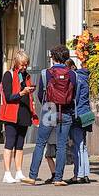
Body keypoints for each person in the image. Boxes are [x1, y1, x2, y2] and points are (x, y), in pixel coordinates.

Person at [24, 44, 76, 186]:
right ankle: (58, 178)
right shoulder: (72, 74)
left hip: (49, 108)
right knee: (61, 145)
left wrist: (47, 104)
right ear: (66, 58)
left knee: (40, 143)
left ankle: (32, 176)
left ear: (53, 58)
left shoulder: (45, 73)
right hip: (65, 110)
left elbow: (41, 94)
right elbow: (74, 94)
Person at [0, 49, 36, 183]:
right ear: (16, 63)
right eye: (22, 64)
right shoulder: (8, 75)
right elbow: (8, 97)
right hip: (11, 113)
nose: (24, 67)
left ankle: (19, 171)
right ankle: (7, 173)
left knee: (20, 144)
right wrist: (22, 92)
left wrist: (30, 92)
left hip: (24, 113)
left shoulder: (27, 76)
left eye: (26, 64)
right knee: (10, 143)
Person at [67, 56, 94, 184]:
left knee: (77, 145)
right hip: (86, 113)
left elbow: (74, 99)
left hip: (77, 114)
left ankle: (78, 174)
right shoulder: (85, 78)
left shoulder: (76, 80)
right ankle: (85, 173)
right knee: (82, 145)